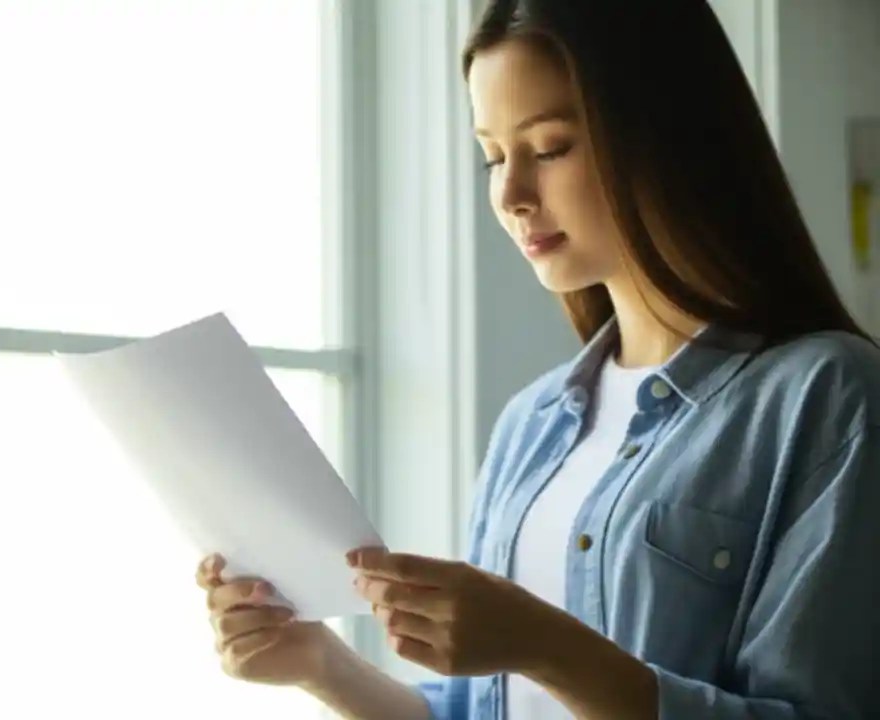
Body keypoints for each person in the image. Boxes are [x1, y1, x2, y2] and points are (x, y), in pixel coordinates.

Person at [195, 0, 880, 718]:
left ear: (668, 139)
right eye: (493, 156)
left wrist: (548, 647)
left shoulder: (829, 397)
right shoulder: (533, 423)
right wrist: (321, 665)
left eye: (549, 147)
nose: (511, 194)